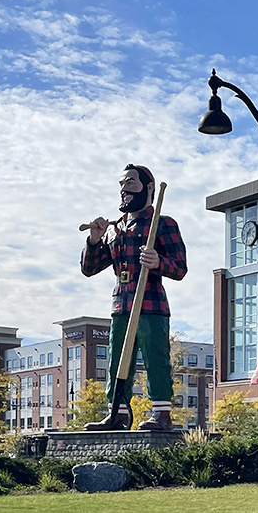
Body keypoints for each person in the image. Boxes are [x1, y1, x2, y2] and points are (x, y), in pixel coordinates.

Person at [80, 164, 187, 430]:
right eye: (121, 184)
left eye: (130, 182)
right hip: (121, 303)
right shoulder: (114, 230)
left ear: (149, 188)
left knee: (155, 356)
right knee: (117, 358)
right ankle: (117, 412)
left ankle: (162, 413)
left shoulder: (162, 224)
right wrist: (94, 241)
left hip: (151, 302)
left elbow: (180, 268)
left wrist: (158, 261)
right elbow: (90, 268)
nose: (124, 189)